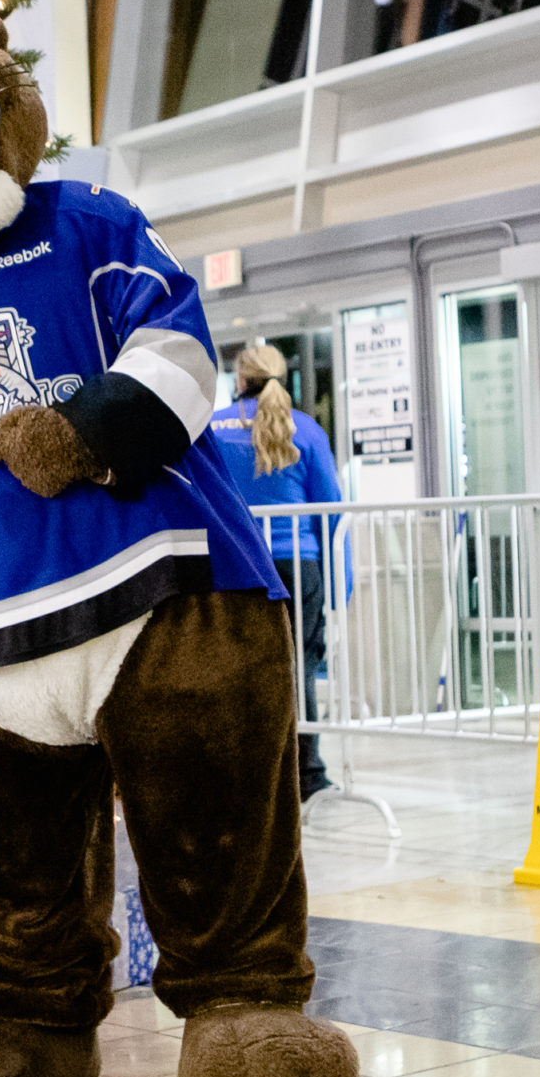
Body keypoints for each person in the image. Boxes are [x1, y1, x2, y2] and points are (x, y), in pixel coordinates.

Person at [208, 343, 344, 805]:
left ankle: (247, 771)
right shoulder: (304, 429)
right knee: (300, 667)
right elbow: (331, 510)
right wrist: (337, 582)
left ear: (239, 378)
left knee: (236, 668)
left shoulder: (212, 428)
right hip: (297, 563)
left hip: (237, 564)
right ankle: (307, 773)